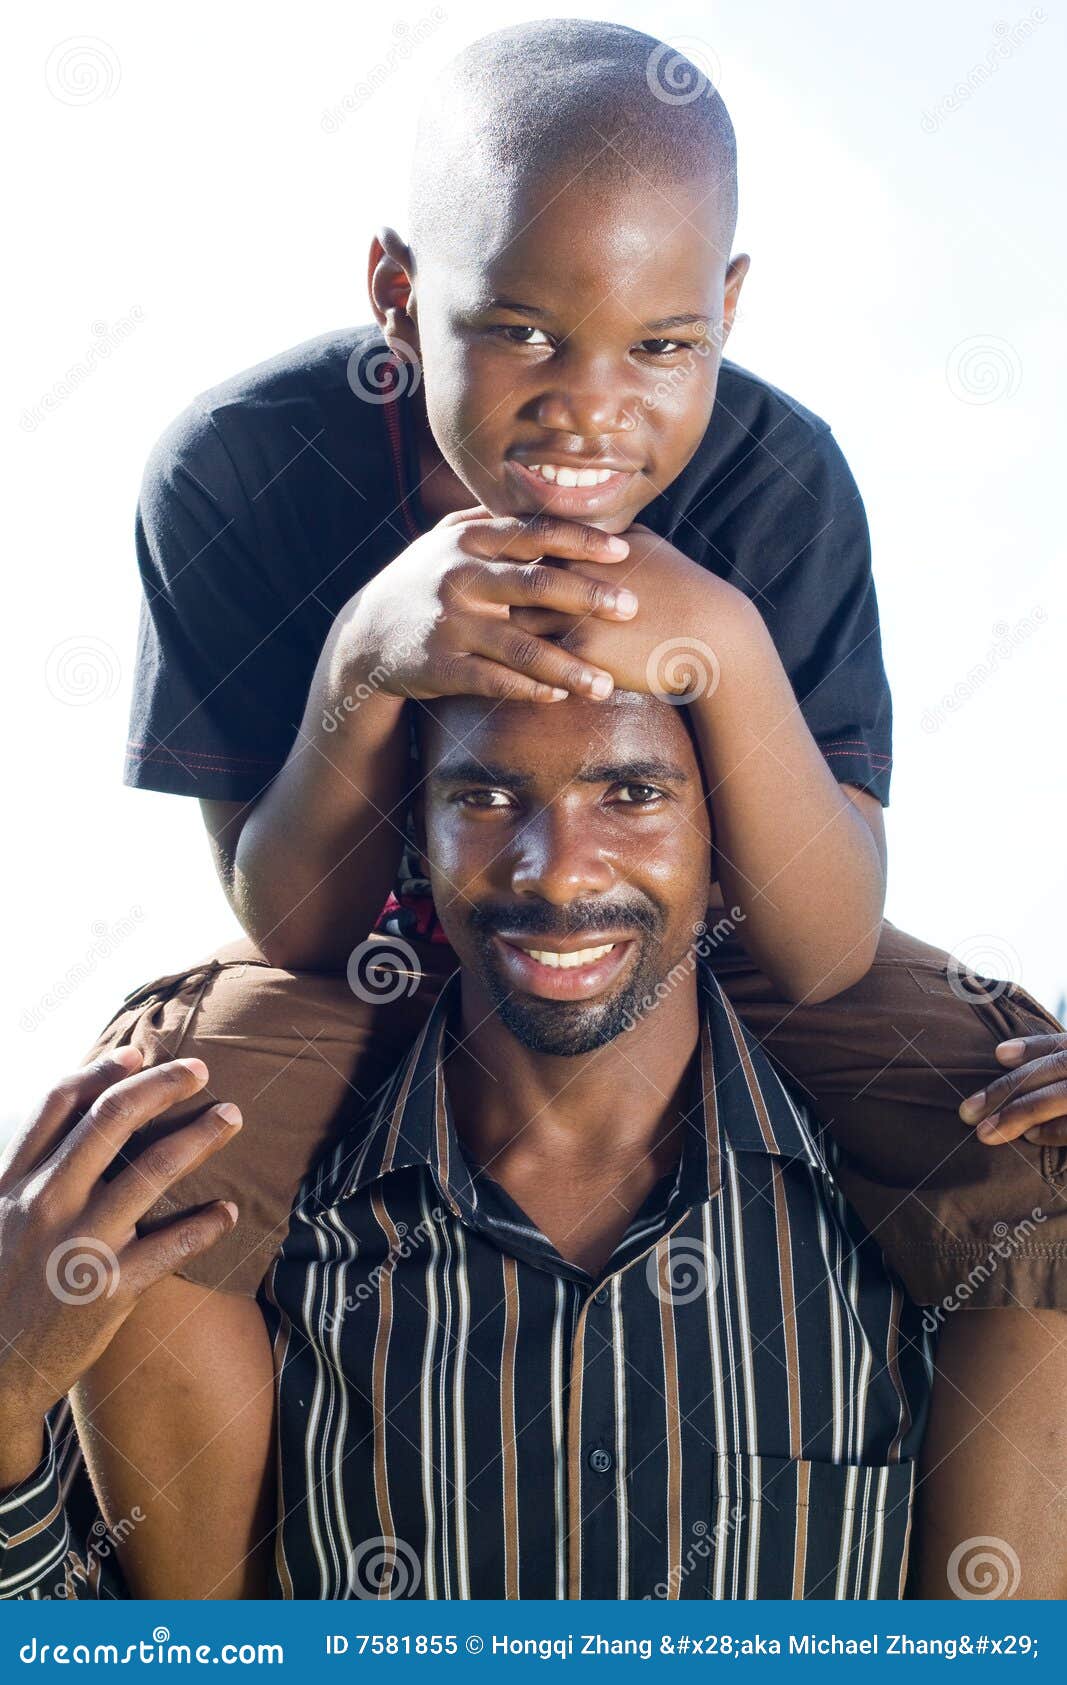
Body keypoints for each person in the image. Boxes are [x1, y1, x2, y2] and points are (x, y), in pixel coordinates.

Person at [4, 17, 1066, 1600]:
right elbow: (285, 916)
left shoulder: (773, 483)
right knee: (163, 1133)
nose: (589, 413)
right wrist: (367, 659)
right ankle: (201, 1627)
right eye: (517, 331)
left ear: (725, 307)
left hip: (736, 923)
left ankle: (989, 1630)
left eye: (658, 346)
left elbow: (826, 940)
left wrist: (715, 641)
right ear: (394, 292)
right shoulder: (241, 466)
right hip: (362, 926)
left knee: (1025, 1131)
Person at [2, 686, 938, 1600]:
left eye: (633, 794)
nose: (559, 870)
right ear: (417, 842)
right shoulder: (231, 1255)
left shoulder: (916, 1243)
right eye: (484, 798)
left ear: (729, 841)